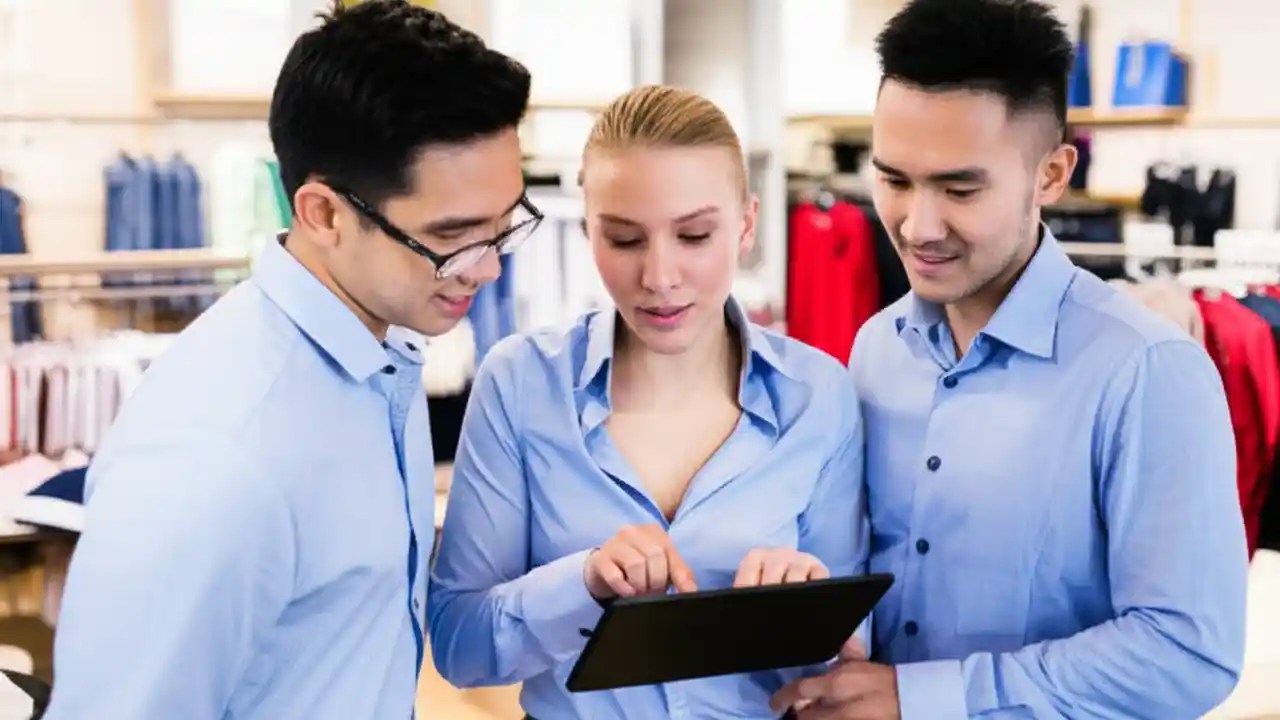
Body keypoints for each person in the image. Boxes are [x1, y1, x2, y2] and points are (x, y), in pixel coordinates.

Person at [45, 2, 534, 718]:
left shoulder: (384, 358)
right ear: (324, 215)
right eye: (454, 238)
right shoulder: (221, 454)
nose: (487, 270)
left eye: (504, 226)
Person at [771, 1, 1248, 719]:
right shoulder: (875, 350)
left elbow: (1188, 651)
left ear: (1052, 175)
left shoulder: (1148, 372)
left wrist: (922, 698)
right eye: (894, 180)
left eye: (960, 189)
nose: (916, 225)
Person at [428, 84, 868, 719]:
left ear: (745, 225)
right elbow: (459, 647)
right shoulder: (520, 384)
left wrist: (806, 608)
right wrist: (582, 584)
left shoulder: (819, 395)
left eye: (693, 236)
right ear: (588, 230)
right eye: (625, 240)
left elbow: (850, 660)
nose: (659, 277)